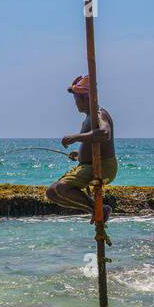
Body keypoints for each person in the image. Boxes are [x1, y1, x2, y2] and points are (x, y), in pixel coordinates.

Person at [45, 75, 117, 222]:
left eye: (76, 99)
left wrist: (75, 137)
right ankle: (95, 209)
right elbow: (94, 143)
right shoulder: (89, 117)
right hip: (87, 165)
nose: (75, 103)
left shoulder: (99, 114)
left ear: (84, 99)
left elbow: (104, 133)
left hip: (102, 166)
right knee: (52, 193)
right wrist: (79, 154)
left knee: (60, 188)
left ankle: (99, 209)